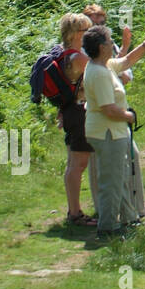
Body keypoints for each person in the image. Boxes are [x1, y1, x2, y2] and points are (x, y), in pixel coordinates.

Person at [82, 25, 145, 237]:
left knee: (119, 178)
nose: (112, 44)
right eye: (110, 41)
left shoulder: (103, 66)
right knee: (111, 183)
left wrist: (144, 46)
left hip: (111, 132)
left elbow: (127, 61)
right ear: (102, 47)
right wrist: (128, 116)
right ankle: (108, 228)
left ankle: (129, 219)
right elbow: (109, 109)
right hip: (107, 133)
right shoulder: (99, 73)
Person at [55, 12, 96, 227]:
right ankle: (75, 213)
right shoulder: (77, 57)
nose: (89, 33)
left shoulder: (63, 53)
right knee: (78, 163)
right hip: (80, 112)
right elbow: (102, 71)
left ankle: (74, 210)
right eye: (85, 30)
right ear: (74, 34)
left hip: (70, 111)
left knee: (73, 163)